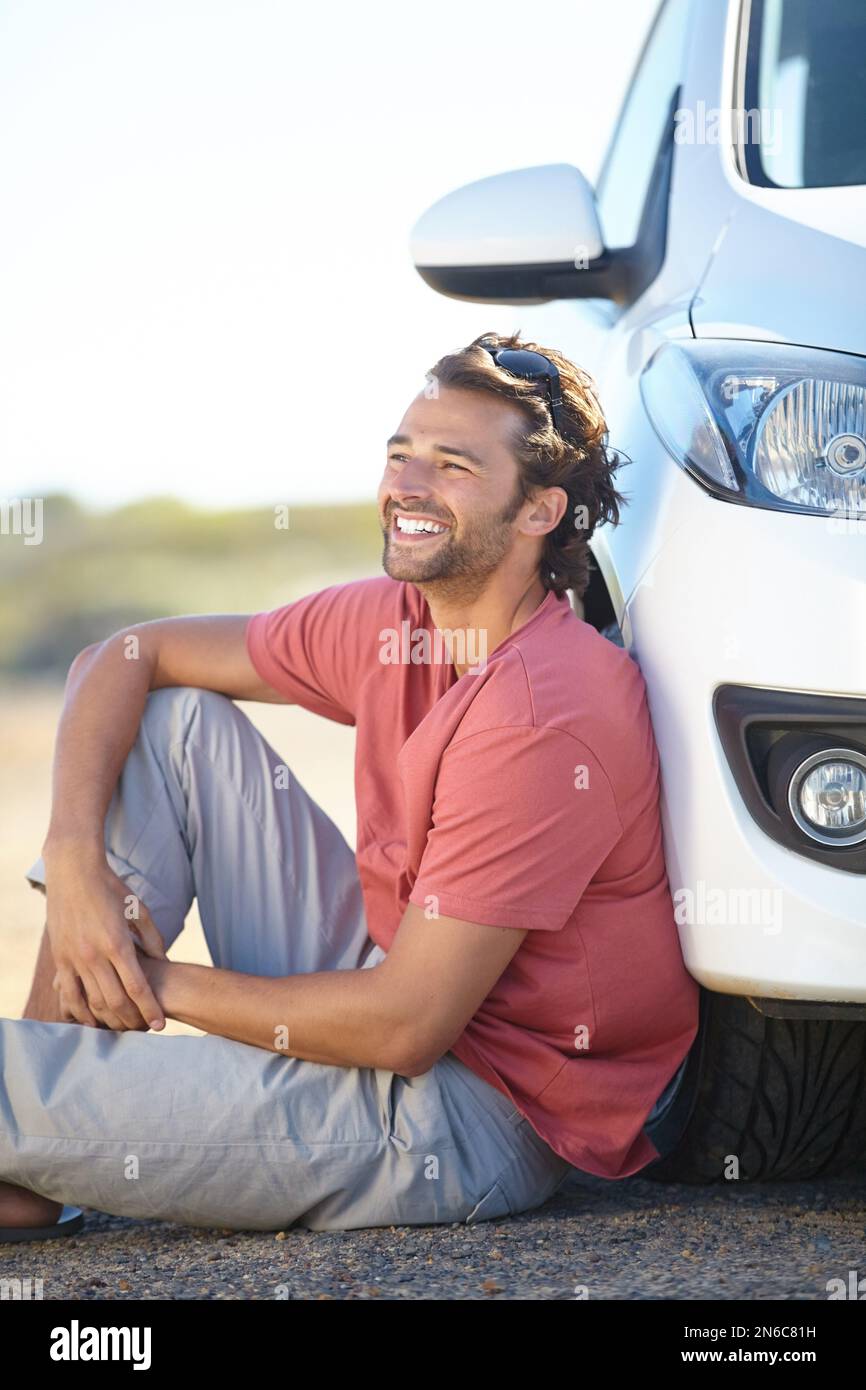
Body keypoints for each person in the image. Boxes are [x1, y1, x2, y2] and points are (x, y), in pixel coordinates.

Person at [0, 330, 699, 1240]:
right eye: (400, 455)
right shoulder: (399, 622)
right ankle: (39, 1157)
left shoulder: (542, 713)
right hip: (384, 980)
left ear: (538, 512)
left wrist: (145, 975)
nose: (406, 487)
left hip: (471, 1111)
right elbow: (124, 654)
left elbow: (406, 1030)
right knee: (170, 722)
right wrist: (75, 875)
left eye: (453, 466)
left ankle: (35, 1135)